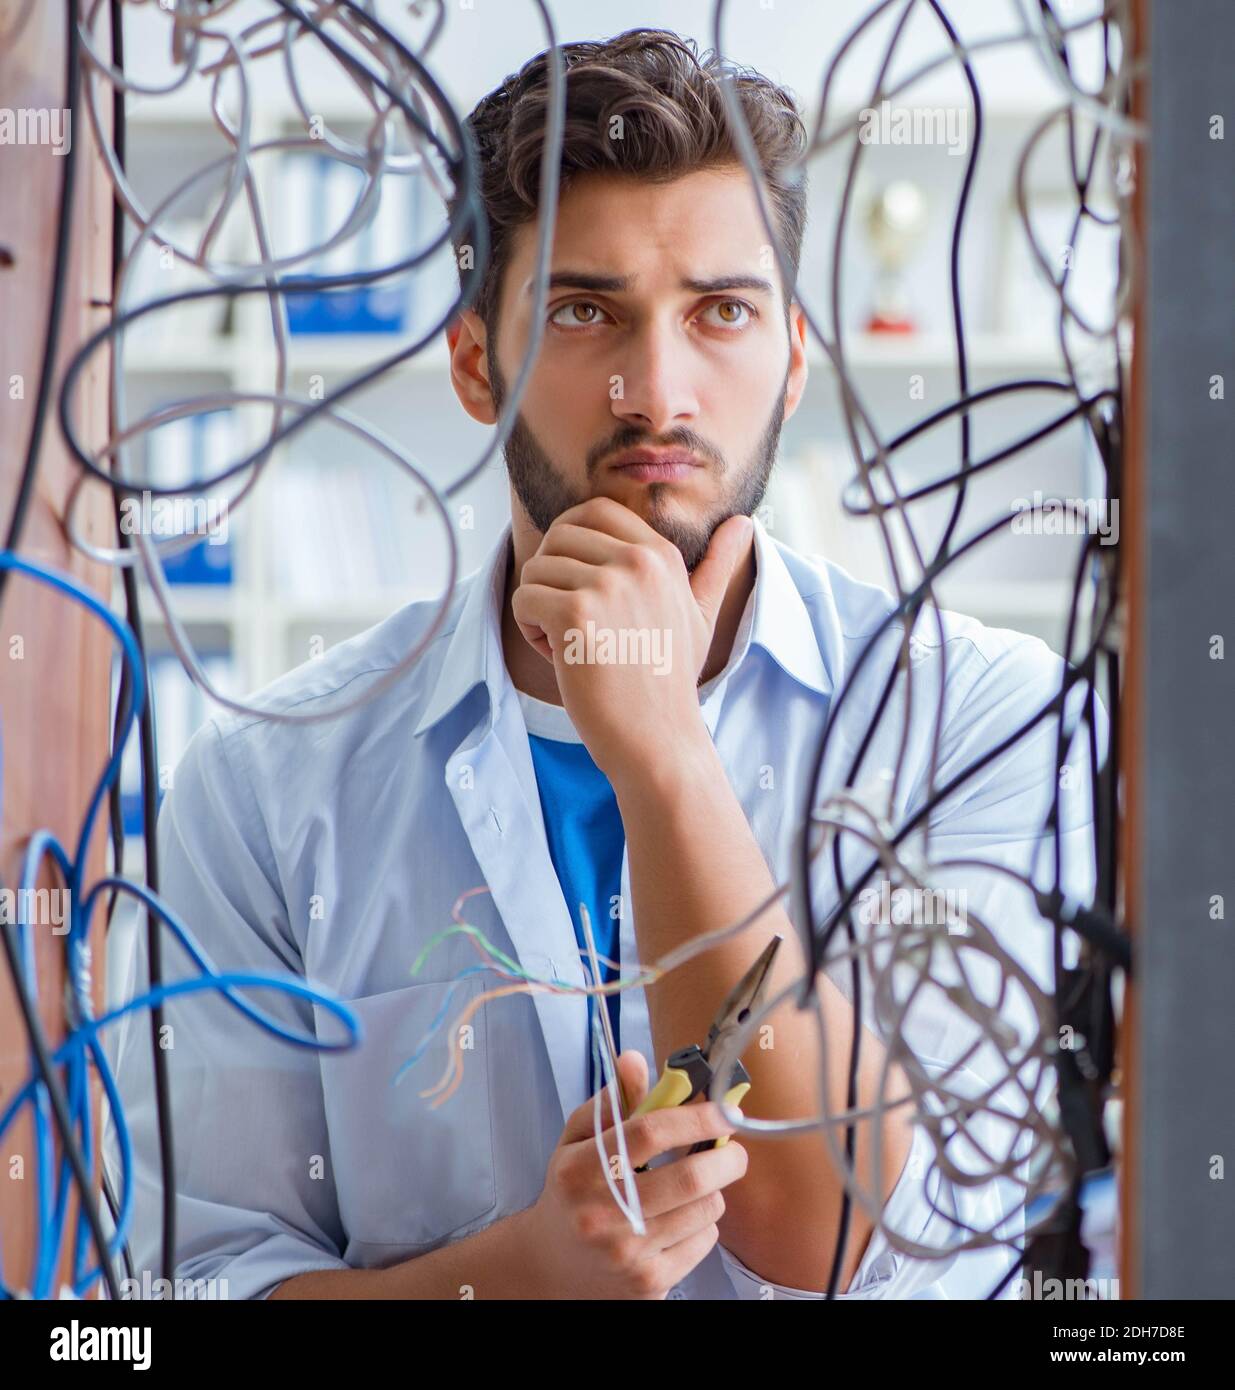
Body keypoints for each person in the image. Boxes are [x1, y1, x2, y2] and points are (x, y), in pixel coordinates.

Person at [107, 28, 1100, 1300]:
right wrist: (515, 1277)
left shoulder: (977, 717)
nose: (654, 390)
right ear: (477, 361)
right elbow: (190, 1291)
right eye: (584, 311)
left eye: (720, 311)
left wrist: (665, 752)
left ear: (793, 355)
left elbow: (869, 1239)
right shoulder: (259, 784)